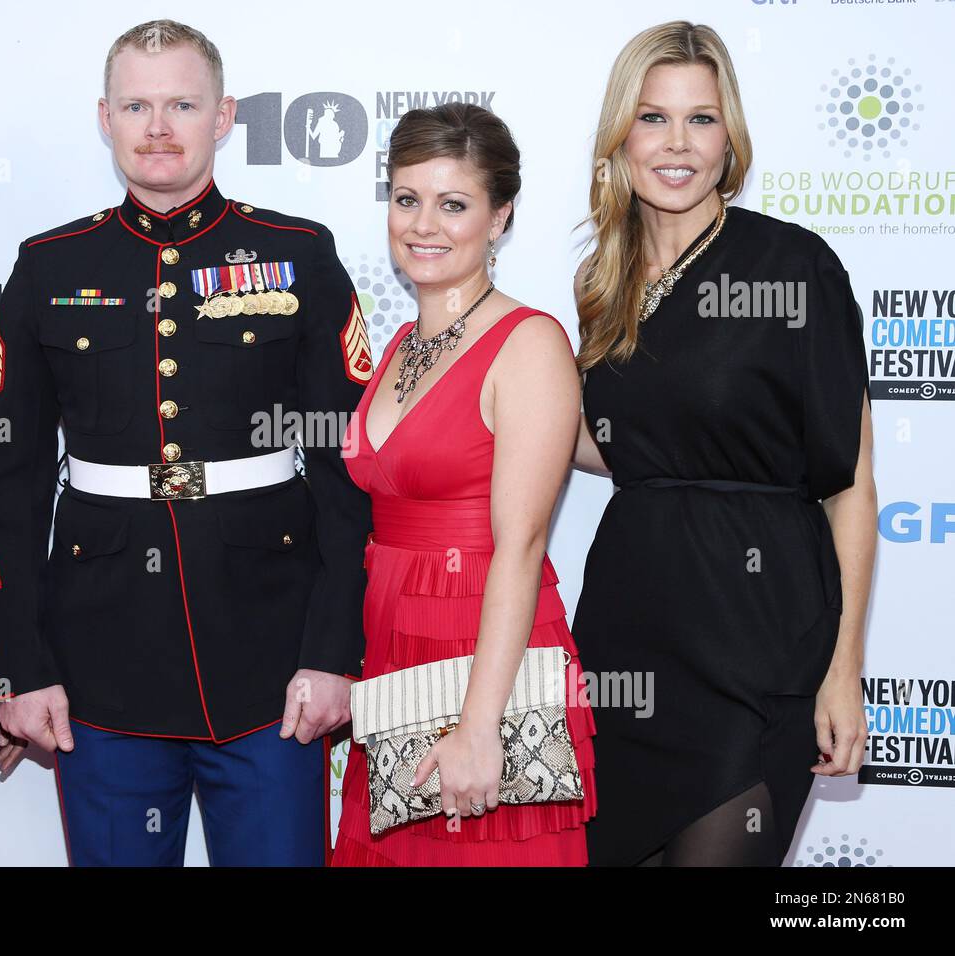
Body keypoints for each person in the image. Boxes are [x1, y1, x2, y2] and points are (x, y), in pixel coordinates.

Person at [0, 19, 372, 866]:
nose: (159, 127)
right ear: (105, 117)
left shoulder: (296, 255)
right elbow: (9, 489)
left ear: (224, 116)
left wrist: (335, 652)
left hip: (272, 664)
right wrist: (18, 664)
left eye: (183, 104)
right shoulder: (48, 267)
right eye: (138, 105)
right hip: (99, 667)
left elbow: (345, 475)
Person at [570, 21, 875, 866]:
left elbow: (849, 483)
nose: (677, 144)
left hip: (758, 636)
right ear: (619, 136)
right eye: (653, 118)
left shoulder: (794, 266)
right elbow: (624, 446)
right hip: (630, 629)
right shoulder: (605, 282)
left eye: (701, 120)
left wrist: (843, 669)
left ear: (729, 137)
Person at [331, 103, 597, 866]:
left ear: (501, 215)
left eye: (454, 204)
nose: (424, 224)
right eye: (407, 199)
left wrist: (481, 729)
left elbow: (522, 546)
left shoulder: (530, 343)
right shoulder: (399, 348)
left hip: (487, 656)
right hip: (393, 665)